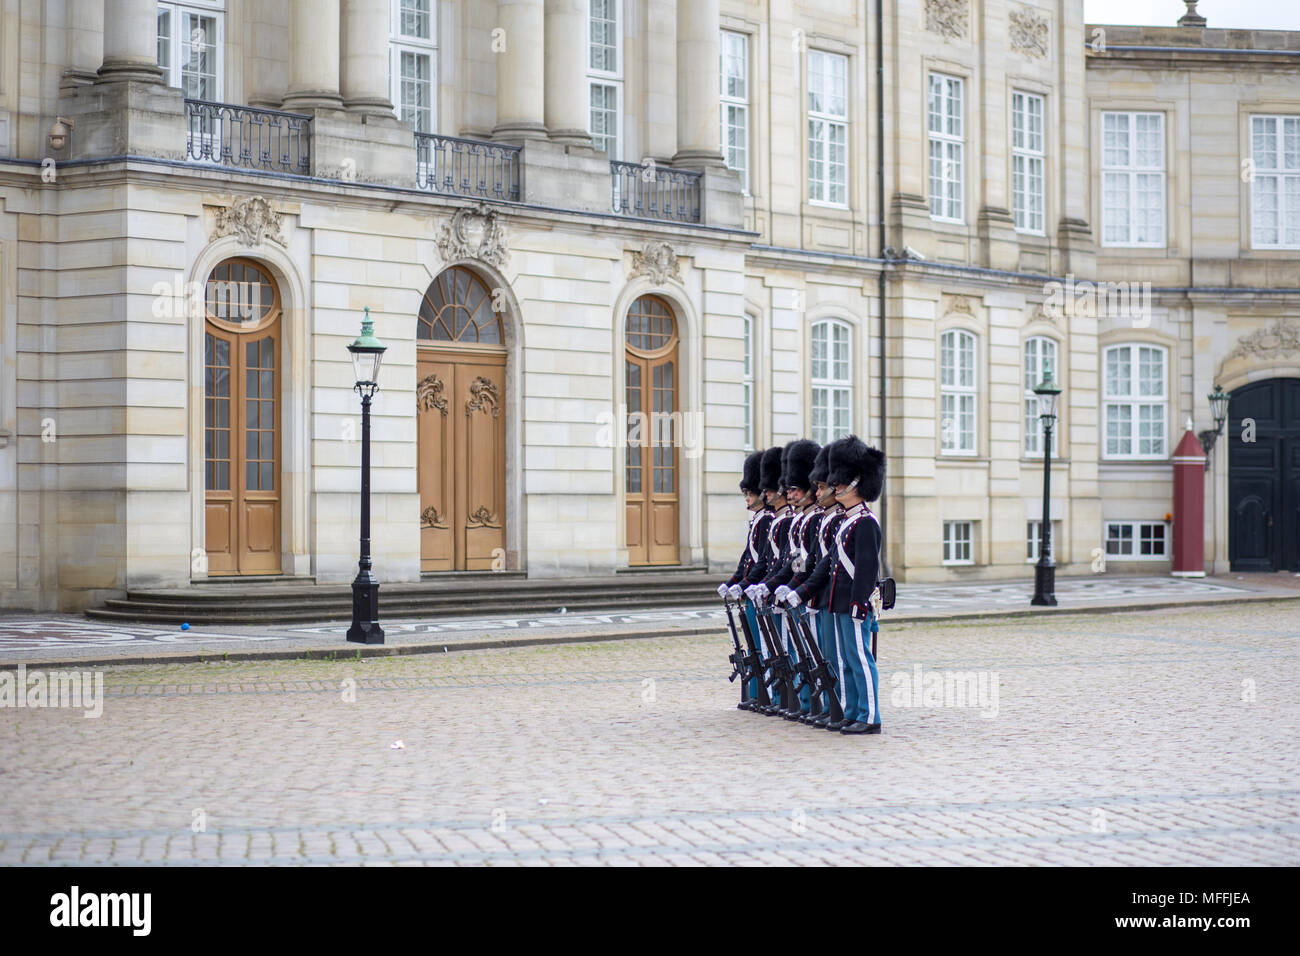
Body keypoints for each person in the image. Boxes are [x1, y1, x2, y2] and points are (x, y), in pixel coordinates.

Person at [778, 440, 849, 729]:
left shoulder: (830, 520)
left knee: (832, 658)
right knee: (809, 655)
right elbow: (799, 562)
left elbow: (820, 563)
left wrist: (799, 589)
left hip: (826, 597)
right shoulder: (804, 521)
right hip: (812, 596)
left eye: (798, 489)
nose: (791, 495)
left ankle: (836, 706)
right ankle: (817, 703)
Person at [824, 435, 885, 735]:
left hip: (855, 601)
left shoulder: (865, 522)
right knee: (847, 661)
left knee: (861, 659)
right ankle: (852, 710)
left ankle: (870, 715)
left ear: (856, 483)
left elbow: (866, 568)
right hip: (840, 600)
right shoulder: (846, 521)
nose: (835, 486)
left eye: (841, 481)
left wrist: (860, 601)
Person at [718, 450, 770, 708]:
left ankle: (766, 693)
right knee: (752, 644)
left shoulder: (767, 520)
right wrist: (734, 582)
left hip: (761, 592)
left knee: (763, 645)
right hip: (752, 591)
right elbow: (748, 558)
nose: (747, 499)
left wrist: (746, 585)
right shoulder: (758, 520)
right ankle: (757, 692)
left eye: (750, 494)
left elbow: (763, 563)